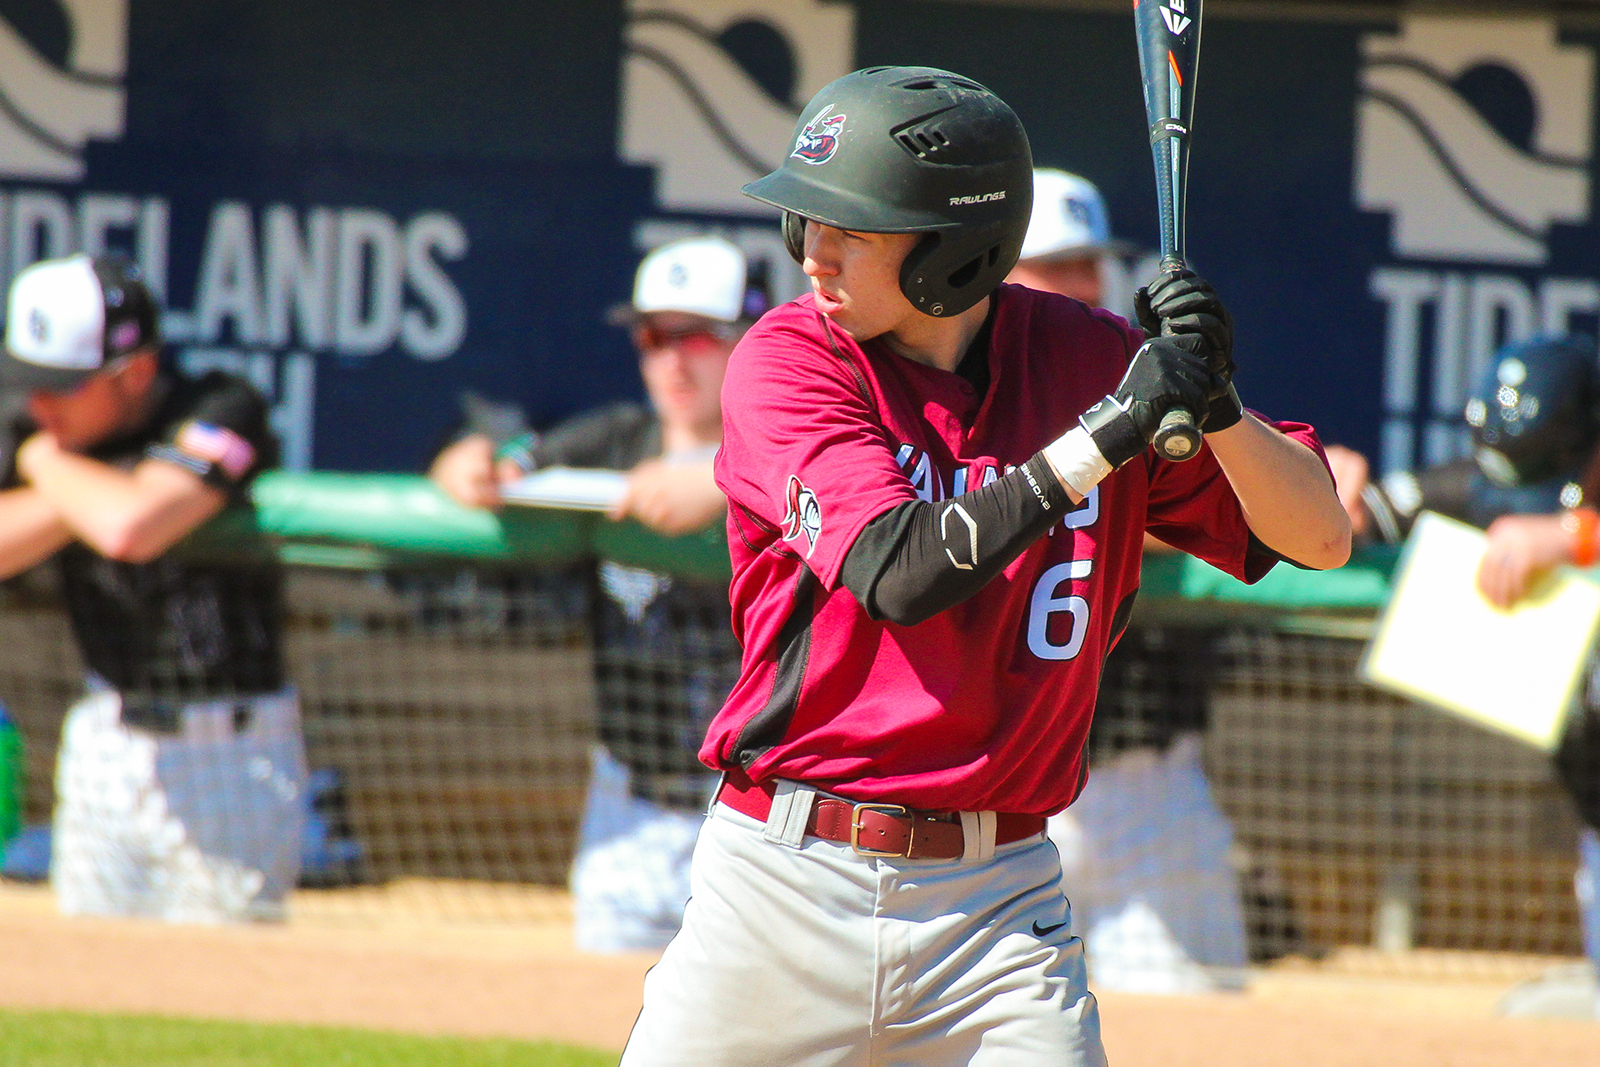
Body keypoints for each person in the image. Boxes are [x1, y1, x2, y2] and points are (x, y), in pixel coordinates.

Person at [621, 65, 1349, 1065]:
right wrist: (1109, 431)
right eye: (806, 221)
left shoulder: (1089, 360)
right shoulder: (790, 358)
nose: (813, 253)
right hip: (782, 886)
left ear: (955, 253)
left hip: (999, 904)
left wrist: (1215, 405)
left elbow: (1316, 536)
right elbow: (899, 570)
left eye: (853, 228)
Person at [431, 235, 760, 951]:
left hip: (756, 809)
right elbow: (495, 465)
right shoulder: (614, 435)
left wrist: (723, 472)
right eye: (654, 336)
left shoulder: (799, 443)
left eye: (698, 335)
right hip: (628, 799)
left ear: (754, 338)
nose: (673, 358)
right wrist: (467, 461)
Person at [0, 253, 302, 923]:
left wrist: (48, 469)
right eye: (30, 383)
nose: (37, 404)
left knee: (224, 991)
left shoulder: (220, 404)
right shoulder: (39, 429)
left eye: (62, 385)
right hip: (106, 737)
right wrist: (72, 483)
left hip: (230, 750)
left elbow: (131, 526)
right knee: (89, 985)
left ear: (135, 372)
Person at [1008, 167, 1249, 993]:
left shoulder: (1152, 385)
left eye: (1087, 263)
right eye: (1051, 265)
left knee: (1198, 1030)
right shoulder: (973, 401)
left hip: (1146, 782)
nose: (1077, 284)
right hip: (1006, 786)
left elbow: (1250, 495)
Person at [1329, 333, 1600, 1019]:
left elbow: (1569, 531)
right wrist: (1333, 496)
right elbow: (1367, 517)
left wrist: (1573, 535)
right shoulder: (1480, 483)